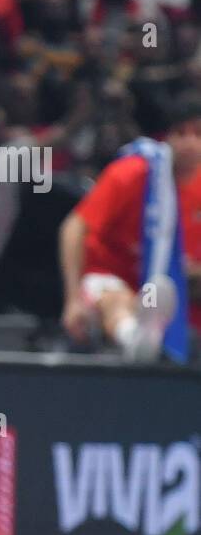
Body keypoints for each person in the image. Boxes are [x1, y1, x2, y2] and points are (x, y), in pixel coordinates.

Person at [58, 99, 201, 362]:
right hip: (106, 280)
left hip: (164, 293)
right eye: (181, 133)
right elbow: (73, 229)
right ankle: (134, 338)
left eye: (198, 134)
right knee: (116, 298)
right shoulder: (131, 173)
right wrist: (72, 299)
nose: (190, 143)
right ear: (166, 138)